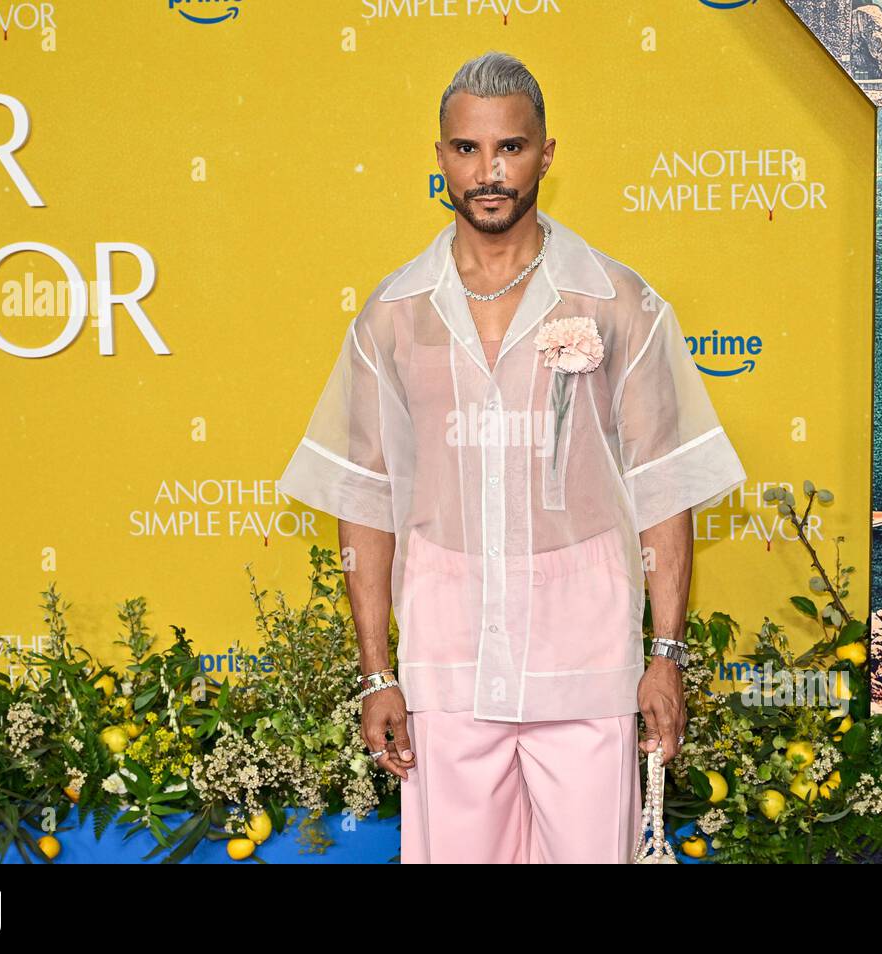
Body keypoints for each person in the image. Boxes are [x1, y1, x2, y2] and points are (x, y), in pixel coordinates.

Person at [276, 50, 746, 863]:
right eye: (467, 149)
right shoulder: (392, 316)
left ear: (546, 154)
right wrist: (376, 672)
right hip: (447, 666)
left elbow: (666, 486)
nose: (488, 171)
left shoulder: (617, 300)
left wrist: (664, 656)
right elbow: (364, 498)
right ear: (440, 159)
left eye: (510, 148)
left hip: (588, 660)